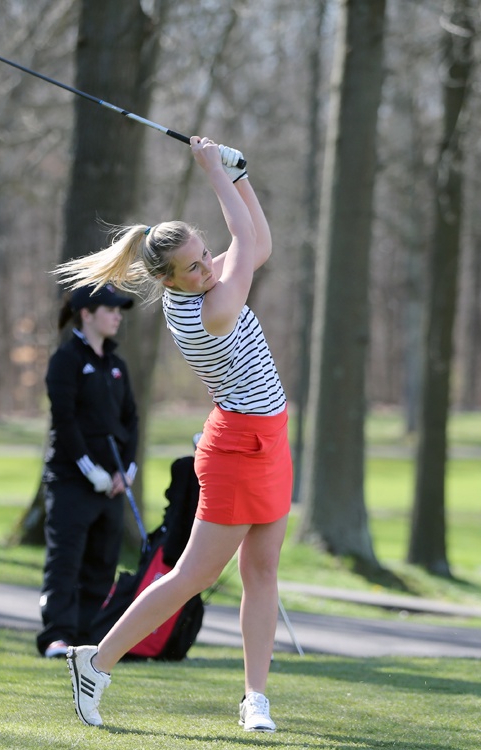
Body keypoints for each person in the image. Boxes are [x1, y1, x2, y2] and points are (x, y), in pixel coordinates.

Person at [53, 137, 290, 732]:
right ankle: (95, 661)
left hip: (272, 440)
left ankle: (255, 698)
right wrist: (217, 173)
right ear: (170, 279)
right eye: (194, 265)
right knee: (193, 575)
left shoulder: (208, 287)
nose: (208, 266)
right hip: (236, 448)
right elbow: (249, 242)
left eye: (207, 255)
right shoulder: (208, 310)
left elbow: (255, 242)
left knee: (263, 572)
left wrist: (239, 174)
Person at [36, 283, 139, 660]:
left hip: (112, 486)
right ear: (86, 314)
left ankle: (88, 637)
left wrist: (126, 470)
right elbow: (65, 422)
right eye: (110, 308)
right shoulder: (65, 360)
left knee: (102, 562)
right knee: (65, 561)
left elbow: (131, 420)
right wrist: (90, 470)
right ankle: (56, 636)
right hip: (71, 482)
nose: (117, 315)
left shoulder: (116, 365)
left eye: (118, 309)